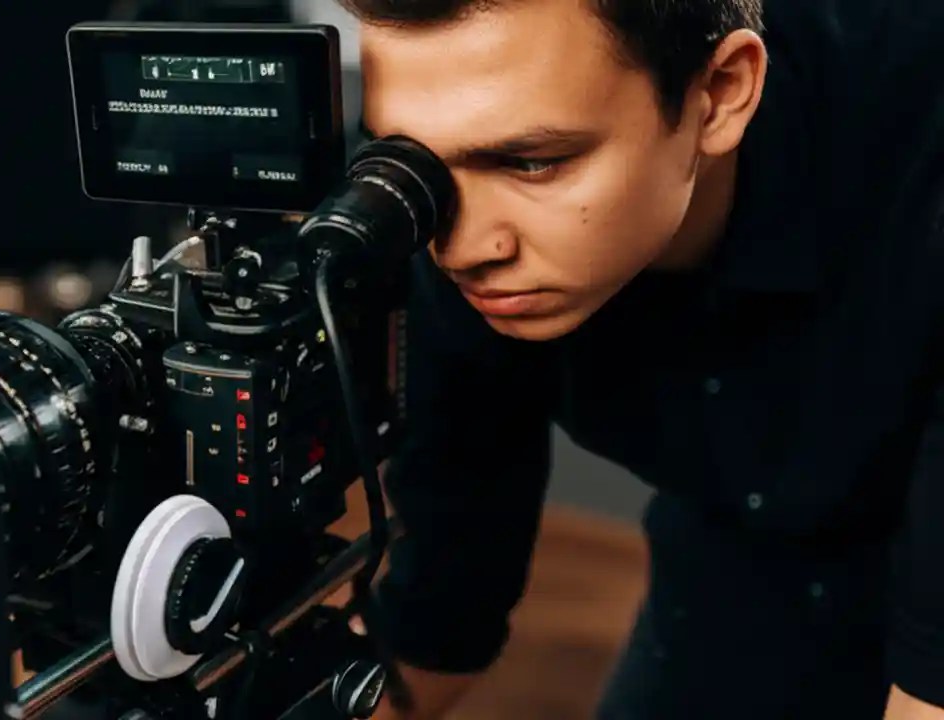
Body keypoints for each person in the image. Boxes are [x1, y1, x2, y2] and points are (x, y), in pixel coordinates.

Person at [339, 0, 944, 718]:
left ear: (720, 94)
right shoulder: (450, 214)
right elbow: (440, 606)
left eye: (532, 161)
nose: (464, 248)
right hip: (728, 554)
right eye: (417, 162)